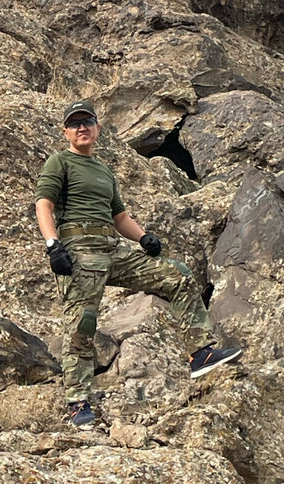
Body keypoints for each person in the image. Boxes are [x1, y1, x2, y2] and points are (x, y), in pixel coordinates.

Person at [35, 99, 242, 426]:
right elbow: (44, 204)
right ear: (66, 132)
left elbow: (120, 217)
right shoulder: (59, 162)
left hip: (113, 248)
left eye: (87, 121)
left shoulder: (104, 171)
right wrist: (53, 244)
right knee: (82, 322)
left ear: (98, 128)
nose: (82, 128)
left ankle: (200, 353)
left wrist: (143, 237)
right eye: (75, 124)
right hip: (79, 249)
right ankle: (77, 401)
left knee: (178, 275)